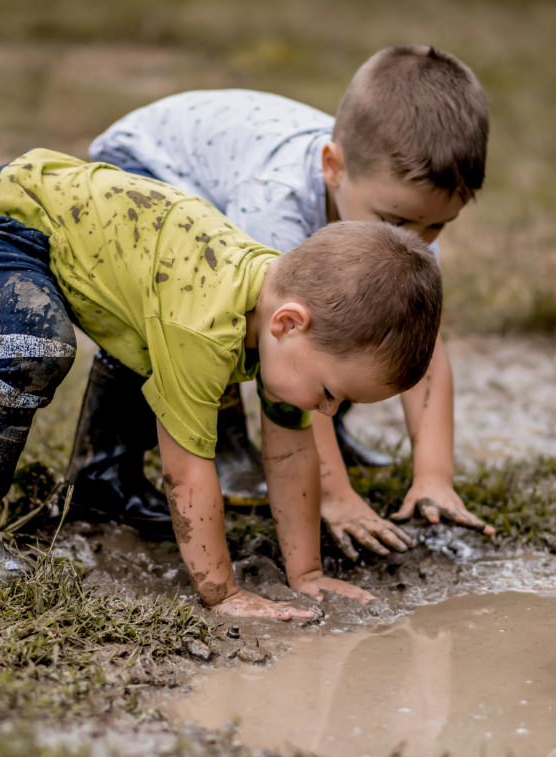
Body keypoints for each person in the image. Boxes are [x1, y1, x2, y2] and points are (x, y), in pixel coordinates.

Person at [0, 149, 443, 620]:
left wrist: (307, 575)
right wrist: (222, 592)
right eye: (331, 393)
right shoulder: (203, 327)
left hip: (78, 237)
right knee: (37, 346)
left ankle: (100, 485)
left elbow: (290, 452)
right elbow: (186, 472)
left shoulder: (280, 318)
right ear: (288, 323)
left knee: (147, 347)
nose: (328, 412)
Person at [69, 44, 495, 558]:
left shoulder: (406, 225)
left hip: (219, 174)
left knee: (360, 323)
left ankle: (333, 435)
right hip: (147, 172)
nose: (419, 238)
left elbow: (421, 350)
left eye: (439, 225)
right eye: (398, 221)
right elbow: (281, 334)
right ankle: (211, 446)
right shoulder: (276, 204)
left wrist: (433, 477)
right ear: (334, 167)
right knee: (214, 316)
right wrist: (332, 496)